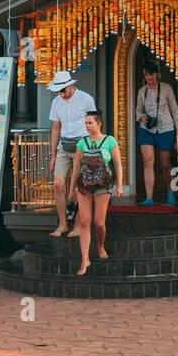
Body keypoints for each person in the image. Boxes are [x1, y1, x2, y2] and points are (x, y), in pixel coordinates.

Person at [67, 110, 122, 275]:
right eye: (85, 123)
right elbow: (76, 166)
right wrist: (71, 189)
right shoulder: (81, 143)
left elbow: (118, 164)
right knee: (84, 221)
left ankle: (100, 245)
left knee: (99, 223)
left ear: (99, 124)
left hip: (103, 185)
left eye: (90, 123)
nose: (87, 126)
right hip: (84, 184)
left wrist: (119, 185)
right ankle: (85, 260)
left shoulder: (110, 141)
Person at [46, 70, 96, 238]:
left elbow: (93, 125)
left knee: (79, 187)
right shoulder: (56, 102)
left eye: (63, 90)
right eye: (58, 91)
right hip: (64, 146)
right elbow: (55, 128)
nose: (61, 94)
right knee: (58, 184)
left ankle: (78, 226)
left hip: (82, 145)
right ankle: (62, 224)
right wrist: (53, 155)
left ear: (70, 85)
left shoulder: (86, 99)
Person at [135, 60, 178, 206]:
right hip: (146, 129)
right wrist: (140, 117)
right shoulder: (142, 91)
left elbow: (174, 109)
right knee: (148, 162)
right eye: (147, 75)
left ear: (157, 74)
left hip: (166, 129)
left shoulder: (167, 88)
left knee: (165, 164)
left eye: (152, 74)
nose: (150, 78)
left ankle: (170, 192)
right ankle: (149, 198)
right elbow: (138, 110)